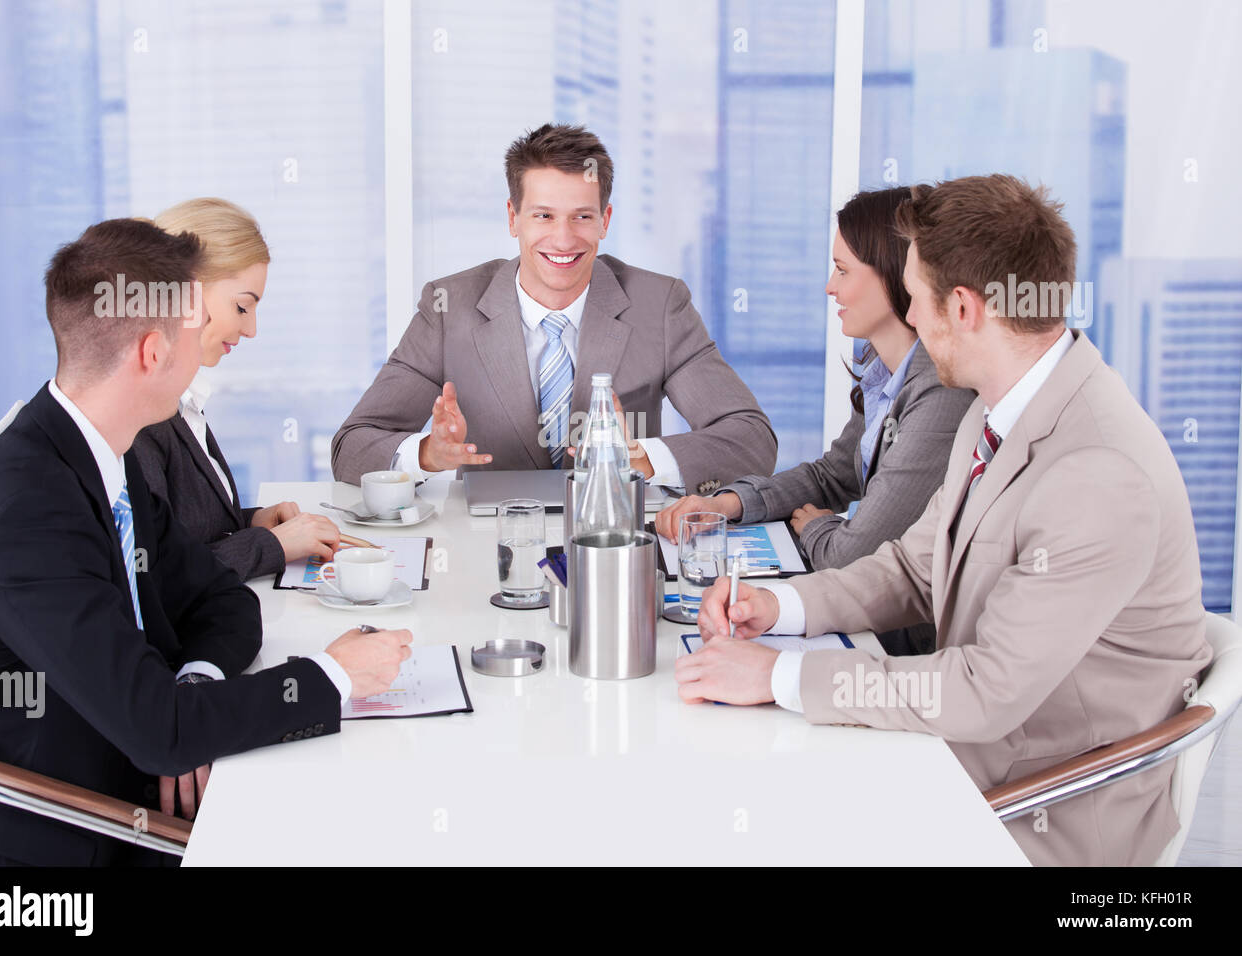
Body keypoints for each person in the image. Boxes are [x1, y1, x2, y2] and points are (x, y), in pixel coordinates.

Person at [675, 175, 1213, 867]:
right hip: (972, 752)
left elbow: (986, 691)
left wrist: (776, 677)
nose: (913, 320)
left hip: (1044, 807)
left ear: (961, 307)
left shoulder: (1100, 471)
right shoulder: (999, 406)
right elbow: (915, 565)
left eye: (917, 298)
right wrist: (777, 604)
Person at [0, 219, 411, 866]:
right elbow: (160, 735)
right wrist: (333, 676)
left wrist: (195, 679)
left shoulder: (105, 453)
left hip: (139, 776)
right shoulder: (29, 511)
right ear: (152, 352)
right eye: (195, 328)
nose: (214, 344)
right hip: (70, 839)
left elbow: (221, 601)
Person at [331, 123, 777, 495]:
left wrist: (639, 457)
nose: (563, 240)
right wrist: (428, 453)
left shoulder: (658, 305)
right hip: (487, 548)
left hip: (614, 547)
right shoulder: (449, 308)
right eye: (543, 216)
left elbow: (751, 440)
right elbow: (351, 446)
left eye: (582, 217)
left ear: (605, 220)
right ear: (513, 218)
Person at [655, 188, 975, 653]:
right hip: (869, 620)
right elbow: (833, 474)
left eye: (843, 271)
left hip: (913, 642)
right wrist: (731, 503)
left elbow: (853, 554)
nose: (830, 287)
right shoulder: (884, 368)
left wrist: (817, 529)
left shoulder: (940, 391)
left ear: (896, 276)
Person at [131, 198, 341, 581]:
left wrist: (254, 524)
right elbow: (157, 576)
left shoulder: (183, 399)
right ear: (188, 292)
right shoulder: (140, 415)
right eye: (242, 307)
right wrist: (272, 545)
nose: (251, 330)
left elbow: (186, 528)